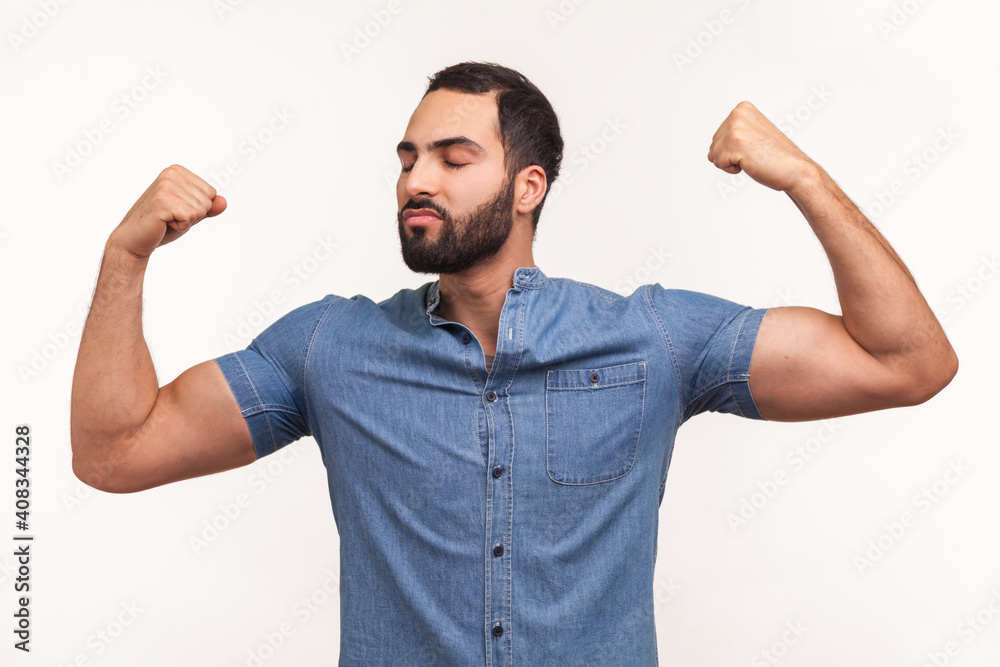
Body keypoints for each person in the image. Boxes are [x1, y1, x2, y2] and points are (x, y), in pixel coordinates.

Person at [70, 62, 958, 665]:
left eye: (454, 158)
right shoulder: (330, 347)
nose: (417, 180)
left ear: (529, 186)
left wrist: (803, 176)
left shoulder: (651, 339)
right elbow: (114, 452)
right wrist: (125, 256)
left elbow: (909, 361)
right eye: (408, 159)